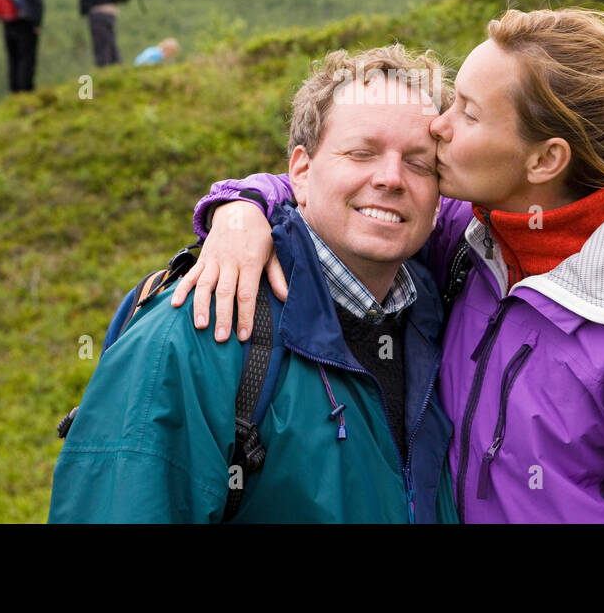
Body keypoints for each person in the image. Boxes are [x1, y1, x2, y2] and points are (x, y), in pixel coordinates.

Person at [175, 7, 604, 523]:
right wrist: (242, 206)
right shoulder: (467, 239)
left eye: (469, 114)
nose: (438, 125)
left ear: (544, 160)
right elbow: (339, 189)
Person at [48, 45, 458, 523]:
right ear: (300, 172)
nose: (391, 178)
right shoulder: (201, 328)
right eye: (361, 152)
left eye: (419, 163)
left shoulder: (445, 317)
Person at [3, 0, 44, 92]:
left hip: (9, 20)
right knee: (27, 58)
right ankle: (26, 92)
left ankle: (14, 92)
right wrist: (37, 23)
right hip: (27, 22)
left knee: (13, 58)